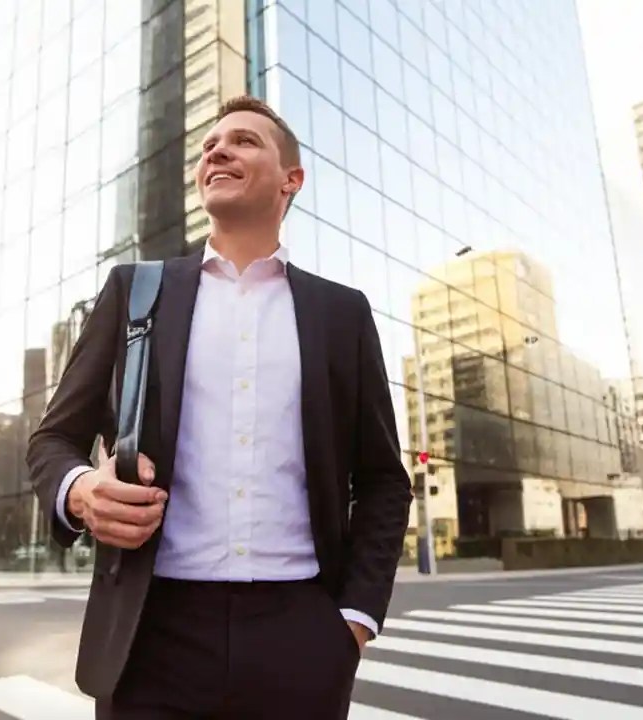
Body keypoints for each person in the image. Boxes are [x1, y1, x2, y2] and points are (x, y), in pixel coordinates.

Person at [27, 95, 412, 719]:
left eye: (244, 140)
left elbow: (383, 481)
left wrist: (353, 621)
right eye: (209, 145)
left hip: (302, 636)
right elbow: (52, 439)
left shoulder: (341, 314)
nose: (217, 150)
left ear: (292, 180)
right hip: (150, 634)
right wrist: (79, 492)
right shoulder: (135, 293)